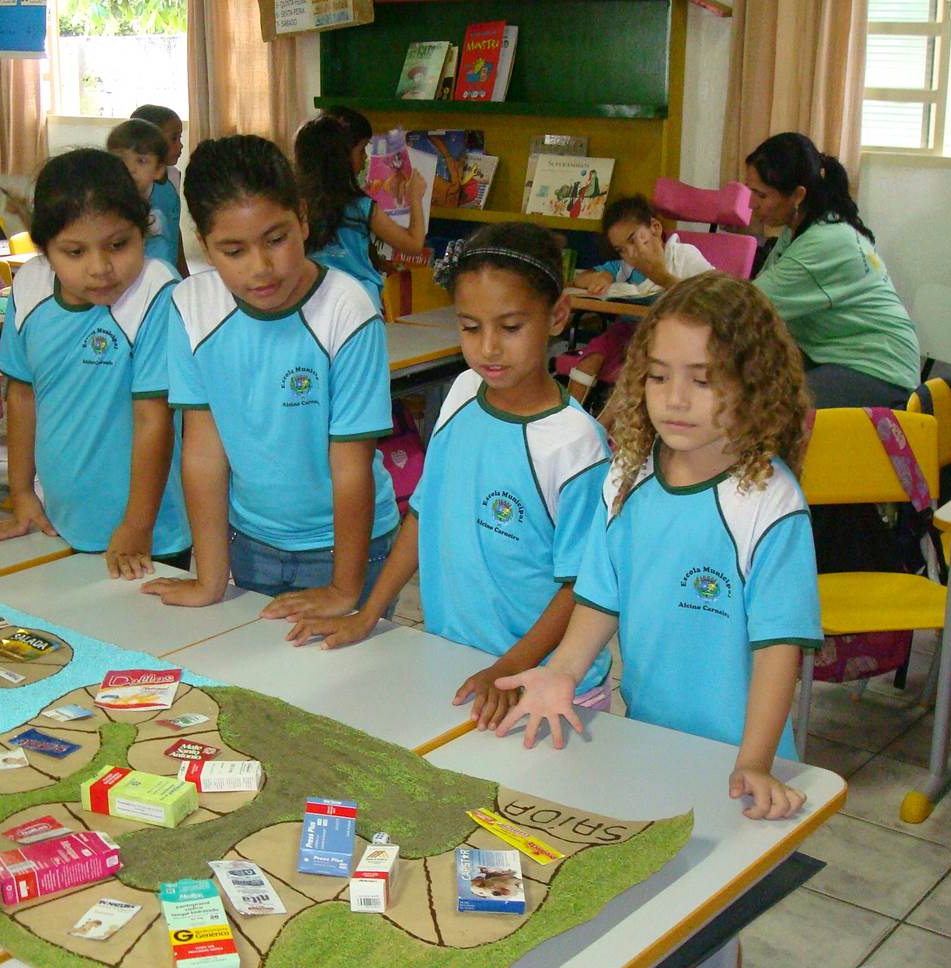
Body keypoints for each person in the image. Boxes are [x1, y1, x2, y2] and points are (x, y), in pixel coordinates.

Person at [493, 272, 820, 968]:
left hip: (729, 755)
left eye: (705, 378)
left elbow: (778, 645)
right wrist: (563, 671)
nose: (676, 399)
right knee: (661, 904)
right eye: (660, 375)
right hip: (650, 740)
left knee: (711, 922)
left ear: (754, 386)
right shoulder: (628, 478)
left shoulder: (768, 501)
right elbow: (601, 595)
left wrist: (755, 758)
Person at [285, 223, 612, 730]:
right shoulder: (461, 392)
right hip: (457, 667)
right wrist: (369, 613)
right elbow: (422, 514)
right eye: (470, 327)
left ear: (557, 316)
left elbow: (582, 588)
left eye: (510, 327)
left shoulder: (575, 444)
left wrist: (508, 668)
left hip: (545, 688)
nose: (488, 349)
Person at [141, 134, 399, 626]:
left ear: (302, 217)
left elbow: (351, 466)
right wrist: (210, 578)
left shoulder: (347, 310)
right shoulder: (191, 306)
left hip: (347, 547)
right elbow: (202, 448)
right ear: (203, 241)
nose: (261, 268)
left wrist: (344, 589)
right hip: (250, 541)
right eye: (233, 250)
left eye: (276, 239)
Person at [0, 148, 189, 578]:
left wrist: (136, 524)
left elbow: (153, 419)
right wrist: (21, 493)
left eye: (119, 245)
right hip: (61, 523)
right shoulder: (32, 285)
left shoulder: (155, 291)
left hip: (151, 534)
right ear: (46, 250)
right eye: (74, 252)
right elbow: (22, 394)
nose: (100, 268)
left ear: (143, 231)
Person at [744, 132, 920, 409]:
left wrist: (664, 277)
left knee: (768, 409)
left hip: (877, 369)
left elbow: (746, 306)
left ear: (798, 195)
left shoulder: (823, 242)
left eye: (761, 194)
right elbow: (756, 293)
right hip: (835, 354)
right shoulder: (800, 230)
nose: (751, 204)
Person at [568, 193, 715, 403]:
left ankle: (605, 428)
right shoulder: (625, 268)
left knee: (634, 369)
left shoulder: (683, 256)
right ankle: (572, 419)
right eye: (621, 250)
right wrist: (602, 276)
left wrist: (661, 276)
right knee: (592, 356)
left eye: (633, 240)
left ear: (655, 228)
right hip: (628, 330)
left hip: (670, 336)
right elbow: (581, 278)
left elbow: (716, 297)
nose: (630, 254)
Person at [294, 114, 427, 311]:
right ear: (341, 158)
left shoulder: (294, 206)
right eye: (361, 149)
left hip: (311, 304)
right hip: (360, 306)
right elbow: (414, 244)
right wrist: (415, 197)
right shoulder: (360, 207)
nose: (365, 157)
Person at [108, 118, 182, 273]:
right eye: (121, 159)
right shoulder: (103, 205)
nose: (130, 169)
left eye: (141, 161)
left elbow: (172, 244)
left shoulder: (166, 199)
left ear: (158, 170)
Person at [131, 103, 189, 277]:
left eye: (180, 138)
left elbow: (173, 227)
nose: (180, 146)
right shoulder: (137, 183)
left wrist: (183, 272)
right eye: (173, 139)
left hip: (169, 270)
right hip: (142, 274)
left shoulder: (173, 176)